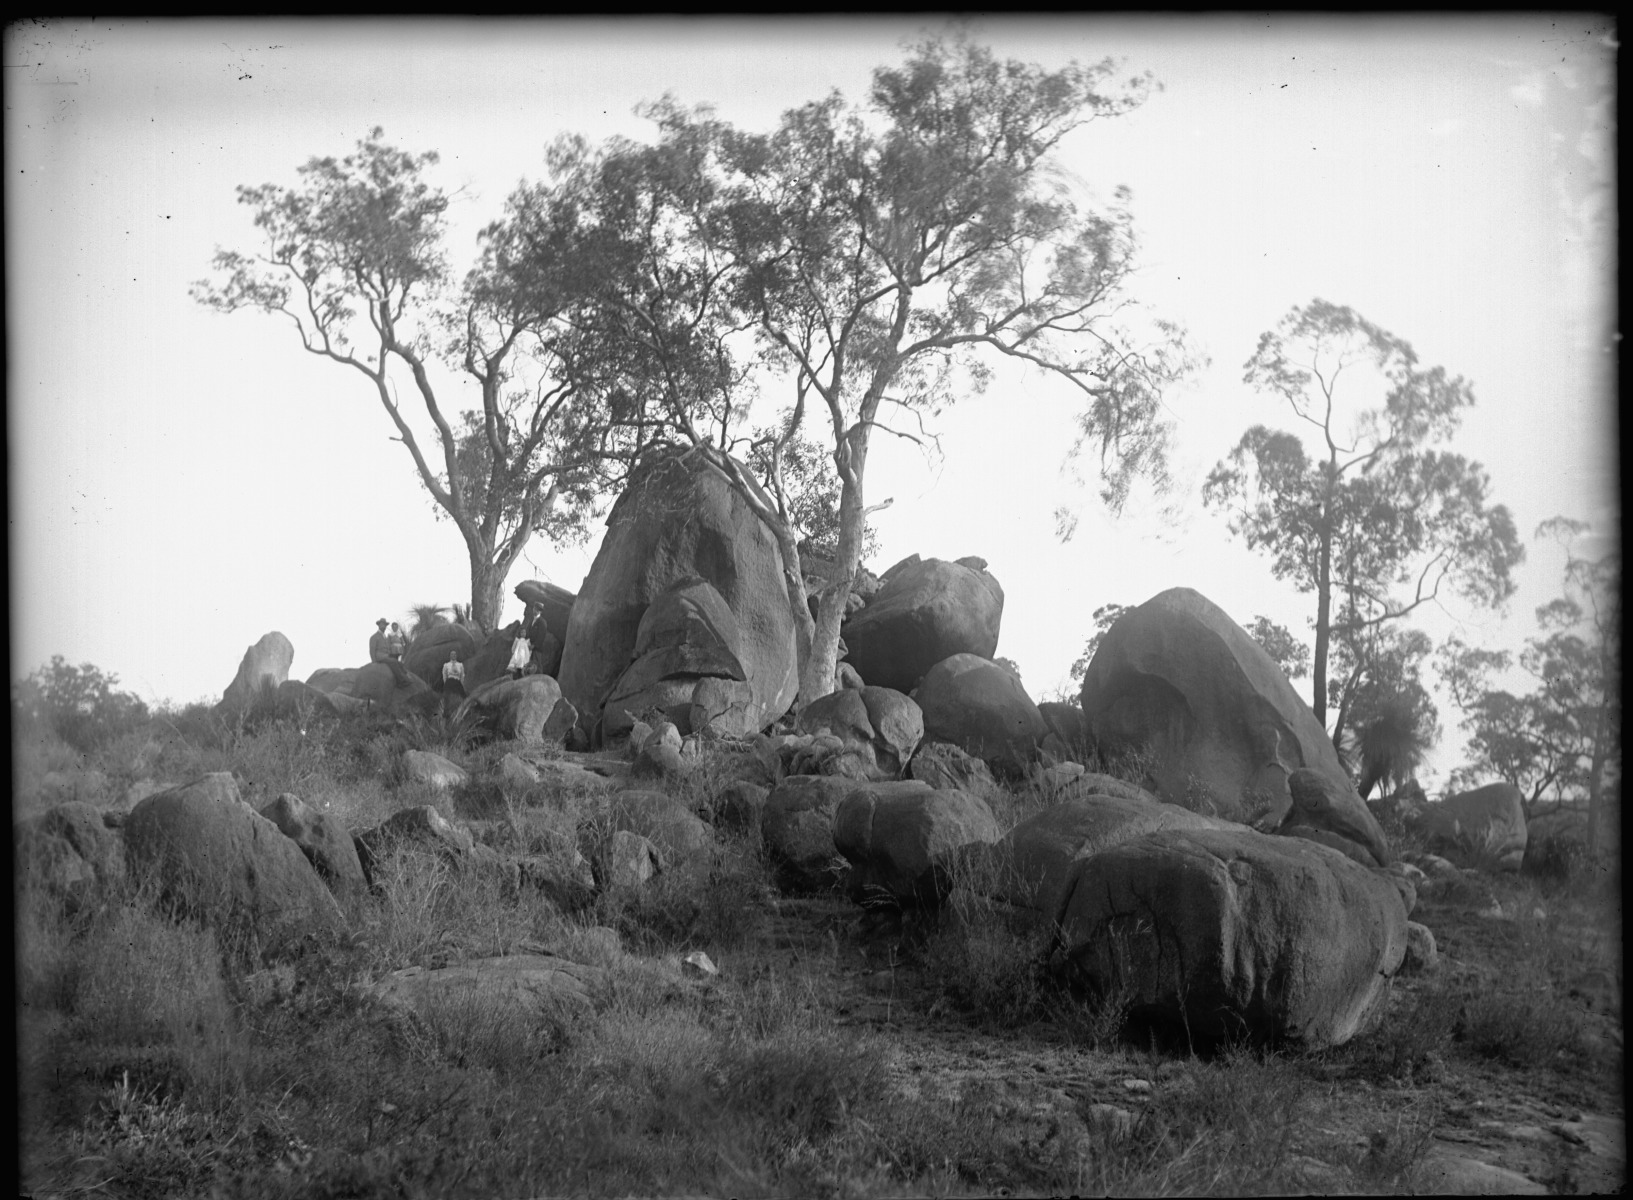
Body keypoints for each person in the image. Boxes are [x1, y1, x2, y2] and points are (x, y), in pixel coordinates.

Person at [369, 617, 410, 687]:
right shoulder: (374, 637)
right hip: (380, 656)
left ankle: (405, 674)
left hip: (386, 655)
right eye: (382, 625)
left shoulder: (385, 636)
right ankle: (402, 681)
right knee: (393, 662)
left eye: (385, 625)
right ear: (378, 626)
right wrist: (374, 662)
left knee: (398, 662)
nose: (384, 626)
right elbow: (372, 650)